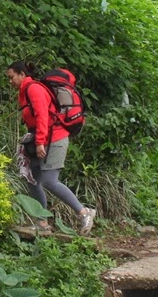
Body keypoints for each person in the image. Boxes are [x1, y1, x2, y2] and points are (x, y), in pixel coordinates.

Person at [6, 60, 94, 235]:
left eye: (11, 77)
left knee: (49, 180)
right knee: (33, 180)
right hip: (43, 138)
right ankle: (42, 223)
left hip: (55, 139)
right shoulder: (24, 92)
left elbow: (42, 117)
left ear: (22, 74)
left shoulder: (34, 89)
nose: (10, 81)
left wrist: (39, 142)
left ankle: (84, 212)